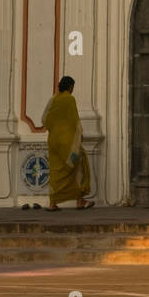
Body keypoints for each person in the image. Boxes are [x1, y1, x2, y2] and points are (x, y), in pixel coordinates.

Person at [41, 76, 93, 210]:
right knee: (80, 165)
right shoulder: (70, 99)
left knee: (56, 171)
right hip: (67, 142)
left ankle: (53, 203)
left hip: (53, 141)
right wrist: (79, 135)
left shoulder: (53, 99)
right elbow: (74, 120)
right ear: (70, 87)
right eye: (72, 87)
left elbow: (44, 119)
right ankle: (80, 200)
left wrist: (55, 129)